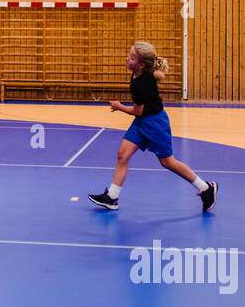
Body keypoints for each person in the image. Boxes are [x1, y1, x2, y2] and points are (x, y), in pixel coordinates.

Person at [88, 41, 217, 213]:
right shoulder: (142, 72)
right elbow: (158, 76)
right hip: (143, 122)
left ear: (141, 65)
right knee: (122, 155)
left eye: (132, 58)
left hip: (155, 122)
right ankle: (112, 197)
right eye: (129, 54)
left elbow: (138, 111)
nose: (127, 59)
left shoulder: (140, 85)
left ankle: (205, 188)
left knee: (167, 161)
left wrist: (119, 106)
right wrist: (157, 75)